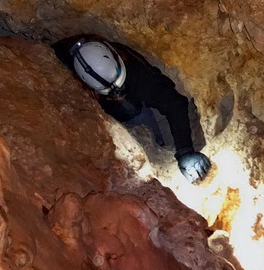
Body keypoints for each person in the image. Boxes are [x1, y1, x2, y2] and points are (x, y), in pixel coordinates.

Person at [54, 35, 212, 183]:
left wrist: (185, 150)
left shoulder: (136, 72)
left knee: (131, 110)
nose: (118, 92)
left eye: (119, 83)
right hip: (94, 101)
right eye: (112, 91)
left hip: (130, 99)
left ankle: (157, 143)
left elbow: (173, 103)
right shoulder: (60, 64)